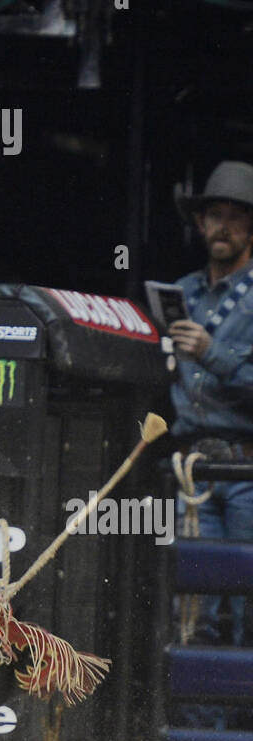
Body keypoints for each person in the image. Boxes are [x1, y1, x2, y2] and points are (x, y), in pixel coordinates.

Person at [169, 161, 253, 652]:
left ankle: (240, 723)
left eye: (236, 217)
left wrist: (211, 354)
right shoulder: (182, 293)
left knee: (245, 604)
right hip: (194, 469)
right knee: (193, 602)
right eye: (213, 215)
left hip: (246, 469)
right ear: (199, 223)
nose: (222, 226)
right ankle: (200, 721)